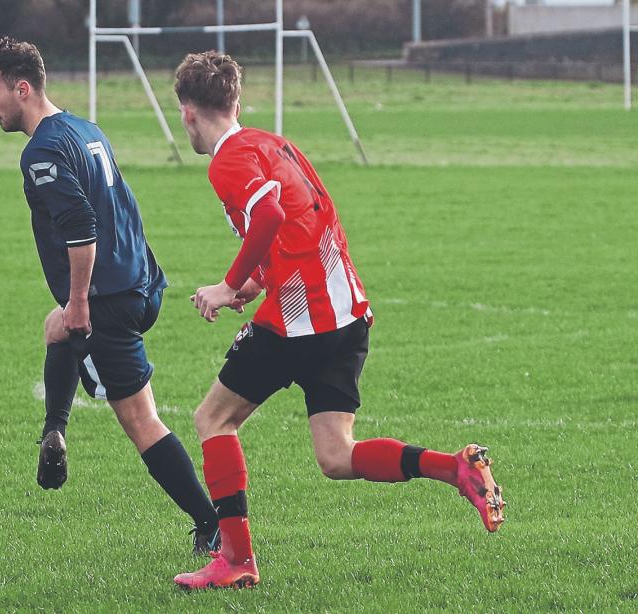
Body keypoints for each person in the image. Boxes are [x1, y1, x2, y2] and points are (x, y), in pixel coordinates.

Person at [171, 51, 506, 589]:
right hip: (346, 314)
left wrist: (229, 285)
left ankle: (234, 560)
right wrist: (256, 281)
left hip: (299, 321)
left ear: (187, 112)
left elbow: (272, 215)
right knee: (336, 456)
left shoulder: (227, 161)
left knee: (213, 419)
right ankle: (456, 467)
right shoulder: (272, 143)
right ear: (236, 101)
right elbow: (296, 221)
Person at [0, 37, 220, 554]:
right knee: (55, 325)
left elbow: (81, 227)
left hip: (107, 299)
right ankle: (54, 432)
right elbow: (122, 206)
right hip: (141, 282)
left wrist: (82, 301)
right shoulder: (84, 129)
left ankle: (211, 523)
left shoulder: (41, 151)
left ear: (24, 88)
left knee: (140, 421)